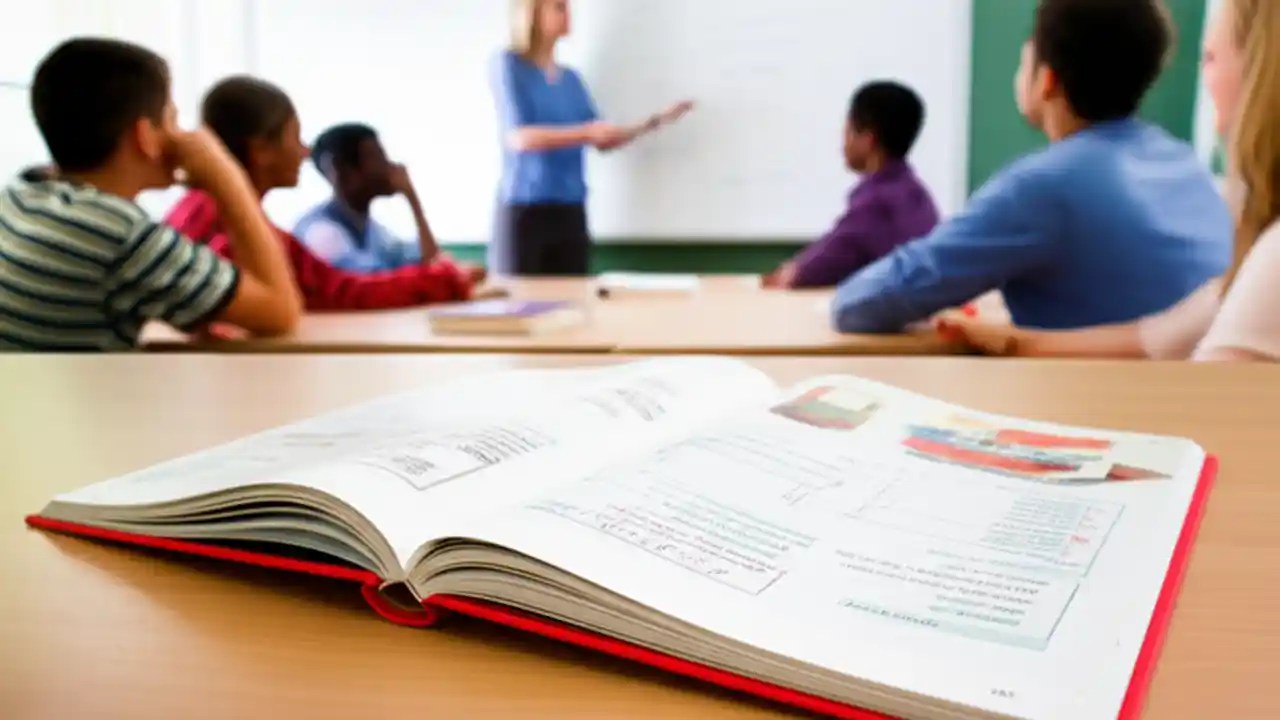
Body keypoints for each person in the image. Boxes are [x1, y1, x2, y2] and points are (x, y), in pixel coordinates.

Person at [830, 0, 1231, 334]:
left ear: (1047, 81)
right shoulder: (1182, 161)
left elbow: (863, 304)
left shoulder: (1045, 185)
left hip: (1101, 409)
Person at [938, 0, 1280, 362]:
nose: (1204, 76)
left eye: (1210, 58)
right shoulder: (1181, 162)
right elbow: (1154, 340)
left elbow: (897, 288)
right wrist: (1015, 341)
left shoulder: (1046, 180)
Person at [0, 38, 300, 351]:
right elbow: (280, 312)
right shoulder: (122, 234)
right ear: (145, 136)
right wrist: (229, 179)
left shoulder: (21, 192)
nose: (181, 134)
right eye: (171, 119)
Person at [166, 77, 475, 311]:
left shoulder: (200, 211)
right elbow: (342, 291)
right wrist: (446, 280)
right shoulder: (229, 223)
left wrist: (445, 279)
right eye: (295, 137)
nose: (304, 152)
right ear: (261, 149)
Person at [490, 0, 693, 276]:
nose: (568, 15)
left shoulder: (572, 80)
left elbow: (603, 139)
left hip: (571, 211)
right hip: (526, 211)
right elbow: (520, 138)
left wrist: (654, 121)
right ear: (533, 14)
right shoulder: (509, 65)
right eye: (559, 7)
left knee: (572, 308)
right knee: (519, 305)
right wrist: (585, 132)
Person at [763, 82, 939, 289]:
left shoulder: (875, 203)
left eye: (847, 131)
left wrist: (790, 272)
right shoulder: (916, 193)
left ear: (867, 139)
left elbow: (812, 269)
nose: (843, 143)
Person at [293, 123, 479, 278]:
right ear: (340, 169)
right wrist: (448, 278)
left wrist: (412, 199)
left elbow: (429, 262)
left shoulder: (373, 231)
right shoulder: (320, 232)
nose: (391, 166)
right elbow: (372, 284)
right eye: (377, 157)